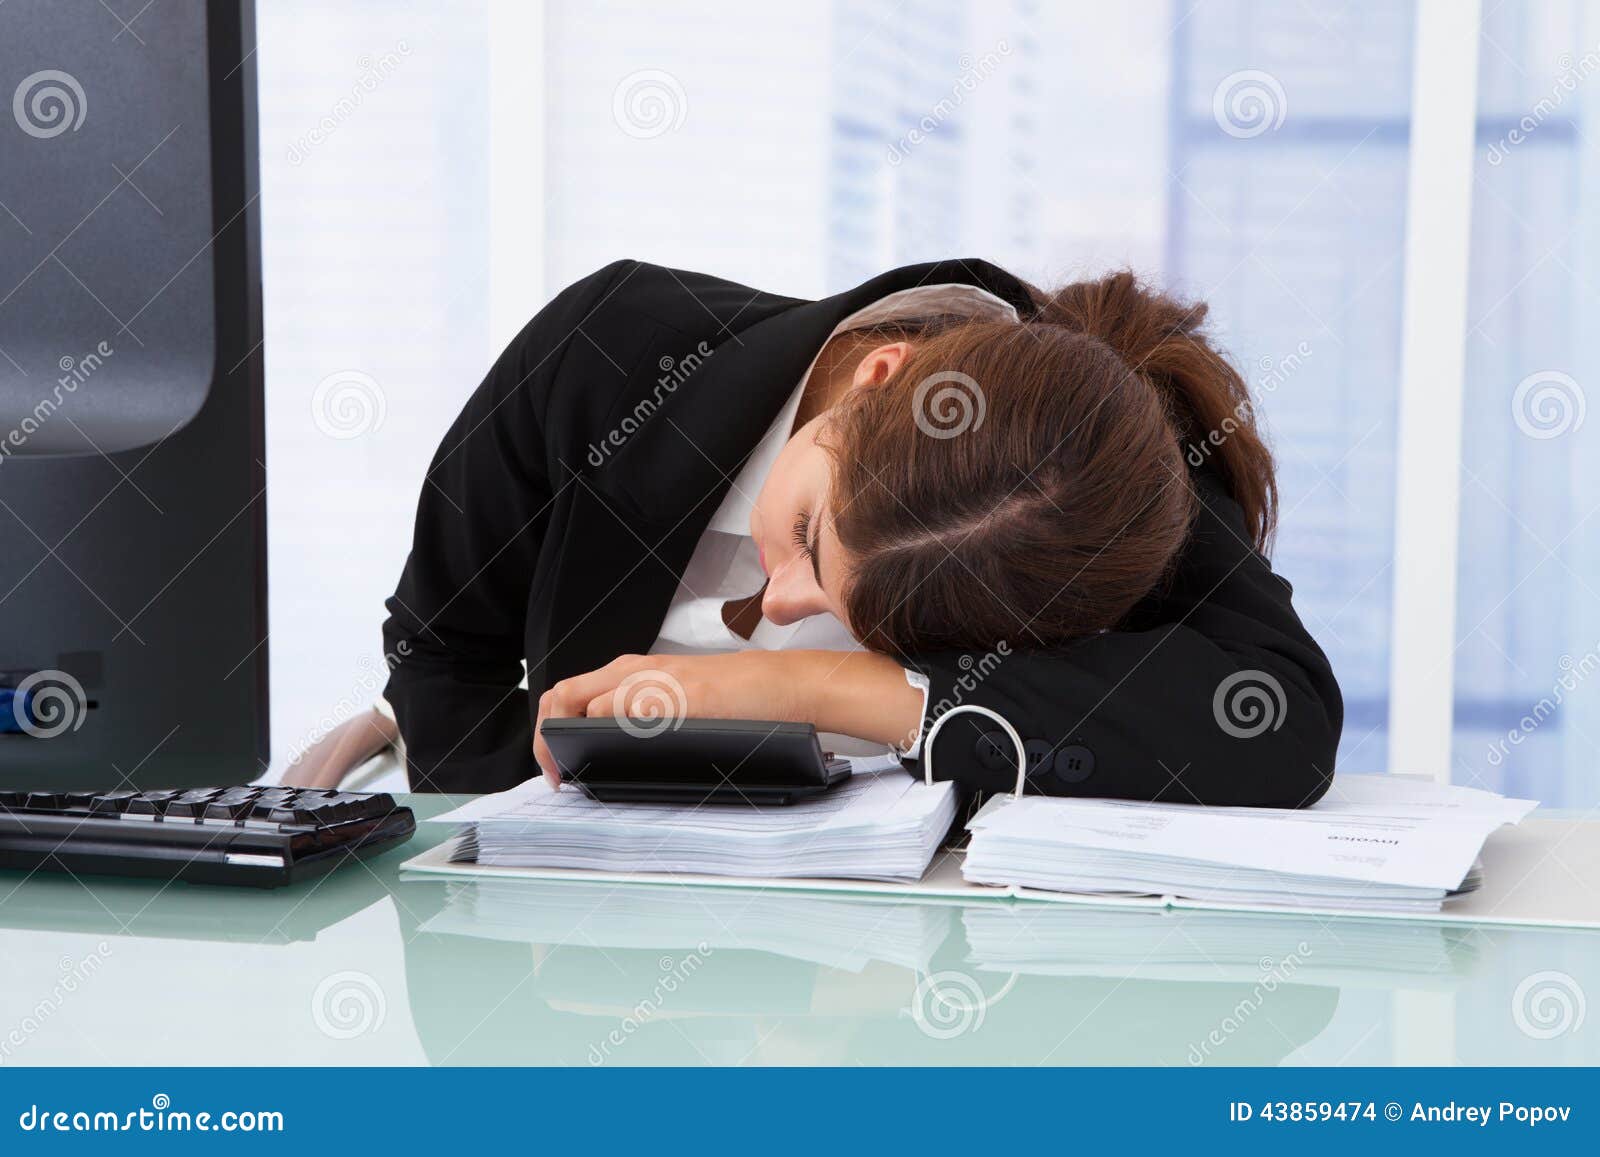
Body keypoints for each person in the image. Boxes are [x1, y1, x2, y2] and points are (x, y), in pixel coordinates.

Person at [376, 258, 1342, 806]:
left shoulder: (1110, 481)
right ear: (877, 376)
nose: (789, 597)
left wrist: (805, 680)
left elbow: (1280, 726)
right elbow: (443, 653)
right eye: (806, 531)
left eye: (860, 614)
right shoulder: (611, 356)